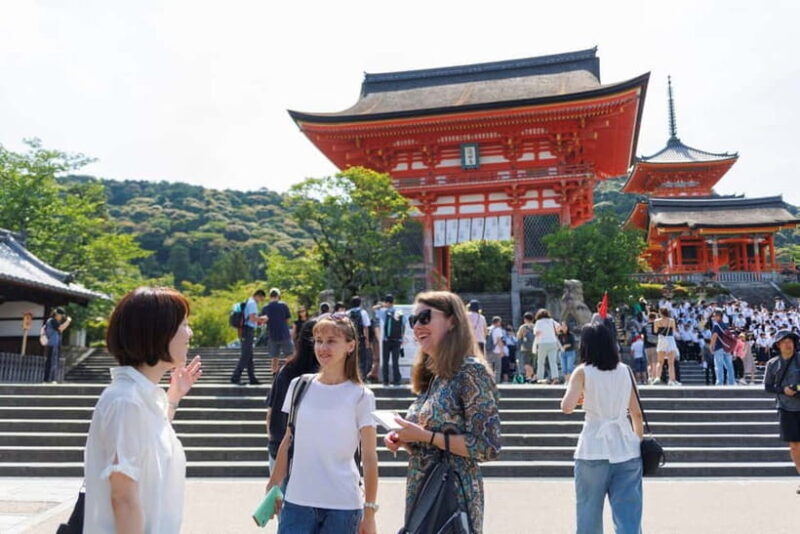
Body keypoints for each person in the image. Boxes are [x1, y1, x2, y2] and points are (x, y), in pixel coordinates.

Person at [84, 287, 203, 533]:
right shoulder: (126, 401)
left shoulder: (139, 397)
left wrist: (173, 397)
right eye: (183, 324)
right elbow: (123, 498)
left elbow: (147, 444)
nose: (189, 333)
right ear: (157, 332)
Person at [385, 291, 501, 534]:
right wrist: (406, 439)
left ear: (452, 321)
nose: (417, 326)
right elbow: (430, 439)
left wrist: (424, 436)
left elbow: (487, 446)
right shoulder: (434, 376)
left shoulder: (471, 372)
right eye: (412, 320)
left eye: (425, 318)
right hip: (424, 491)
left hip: (453, 496)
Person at [266, 313, 378, 534]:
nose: (322, 347)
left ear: (350, 346)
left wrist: (370, 510)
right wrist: (274, 482)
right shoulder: (299, 385)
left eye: (331, 341)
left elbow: (369, 456)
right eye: (318, 340)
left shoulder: (362, 395)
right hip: (298, 501)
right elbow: (288, 440)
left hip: (344, 505)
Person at [561, 322, 644, 534]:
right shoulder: (625, 371)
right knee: (629, 519)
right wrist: (637, 442)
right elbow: (636, 413)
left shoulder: (582, 372)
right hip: (626, 448)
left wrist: (583, 398)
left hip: (592, 448)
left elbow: (567, 407)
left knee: (588, 515)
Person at [265, 319, 319, 473]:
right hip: (310, 454)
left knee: (279, 495)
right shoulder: (324, 377)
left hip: (278, 444)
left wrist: (273, 441)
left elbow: (271, 412)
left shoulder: (285, 370)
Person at [763, 330, 800, 494]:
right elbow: (768, 387)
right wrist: (783, 390)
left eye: (790, 341)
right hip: (785, 407)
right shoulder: (772, 364)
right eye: (784, 341)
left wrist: (797, 389)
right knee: (794, 445)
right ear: (778, 345)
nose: (788, 344)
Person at [231, 289, 266, 386]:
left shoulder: (248, 301)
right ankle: (235, 377)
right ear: (258, 296)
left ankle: (252, 378)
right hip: (248, 330)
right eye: (261, 299)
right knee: (246, 354)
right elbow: (252, 318)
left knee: (249, 355)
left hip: (246, 330)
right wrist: (262, 319)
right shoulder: (252, 303)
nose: (260, 301)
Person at [263, 288, 293, 380]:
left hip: (272, 335)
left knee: (274, 357)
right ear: (278, 296)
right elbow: (288, 319)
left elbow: (264, 321)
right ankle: (291, 373)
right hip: (284, 334)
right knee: (289, 355)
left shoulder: (266, 307)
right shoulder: (284, 305)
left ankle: (274, 375)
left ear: (270, 296)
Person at [379, 294, 404, 386]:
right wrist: (401, 337)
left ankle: (386, 381)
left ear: (386, 302)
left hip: (386, 340)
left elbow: (374, 308)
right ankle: (396, 381)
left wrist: (382, 305)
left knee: (385, 361)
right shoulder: (399, 312)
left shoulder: (384, 312)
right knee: (395, 361)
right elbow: (403, 325)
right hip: (397, 340)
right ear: (394, 302)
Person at [43, 307, 72, 382]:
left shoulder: (55, 321)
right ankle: (48, 379)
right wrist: (68, 321)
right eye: (61, 316)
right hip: (52, 344)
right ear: (57, 314)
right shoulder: (52, 321)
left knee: (54, 362)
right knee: (51, 362)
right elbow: (61, 328)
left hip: (56, 344)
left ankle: (52, 379)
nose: (61, 317)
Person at [348, 295, 372, 380]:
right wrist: (367, 340)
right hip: (361, 338)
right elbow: (366, 327)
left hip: (351, 339)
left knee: (351, 357)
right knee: (362, 358)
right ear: (360, 303)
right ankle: (362, 377)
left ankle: (351, 376)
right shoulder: (363, 313)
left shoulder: (348, 313)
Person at [654, 308, 680, 386]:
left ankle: (657, 377)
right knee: (671, 363)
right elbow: (674, 331)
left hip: (661, 339)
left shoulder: (656, 321)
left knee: (660, 361)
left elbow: (655, 331)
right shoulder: (671, 321)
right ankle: (672, 380)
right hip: (670, 340)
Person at [534, 309, 560, 384]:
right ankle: (555, 378)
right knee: (553, 362)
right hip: (553, 342)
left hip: (542, 343)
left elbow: (536, 332)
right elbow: (559, 327)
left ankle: (540, 378)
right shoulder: (551, 321)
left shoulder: (538, 322)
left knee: (541, 362)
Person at [709, 309, 735, 386]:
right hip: (727, 348)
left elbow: (714, 336)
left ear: (718, 316)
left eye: (714, 316)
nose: (713, 318)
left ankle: (719, 382)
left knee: (719, 366)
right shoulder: (725, 325)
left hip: (719, 347)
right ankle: (731, 382)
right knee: (729, 366)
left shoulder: (716, 325)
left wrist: (711, 346)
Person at [516, 311, 537, 382]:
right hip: (534, 348)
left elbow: (519, 337)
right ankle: (530, 377)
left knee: (526, 364)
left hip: (525, 348)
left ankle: (532, 376)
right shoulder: (535, 326)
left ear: (525, 319)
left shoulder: (523, 327)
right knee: (532, 363)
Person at [641, 312, 659, 383]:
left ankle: (650, 377)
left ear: (648, 318)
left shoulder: (644, 326)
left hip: (646, 347)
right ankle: (654, 377)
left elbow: (642, 337)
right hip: (655, 346)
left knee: (649, 363)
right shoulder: (656, 326)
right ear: (655, 318)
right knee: (654, 362)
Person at [487, 316, 504, 384]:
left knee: (489, 366)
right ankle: (496, 382)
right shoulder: (498, 329)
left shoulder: (489, 329)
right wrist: (502, 351)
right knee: (497, 367)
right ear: (498, 322)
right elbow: (499, 340)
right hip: (496, 350)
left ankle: (489, 381)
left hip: (488, 349)